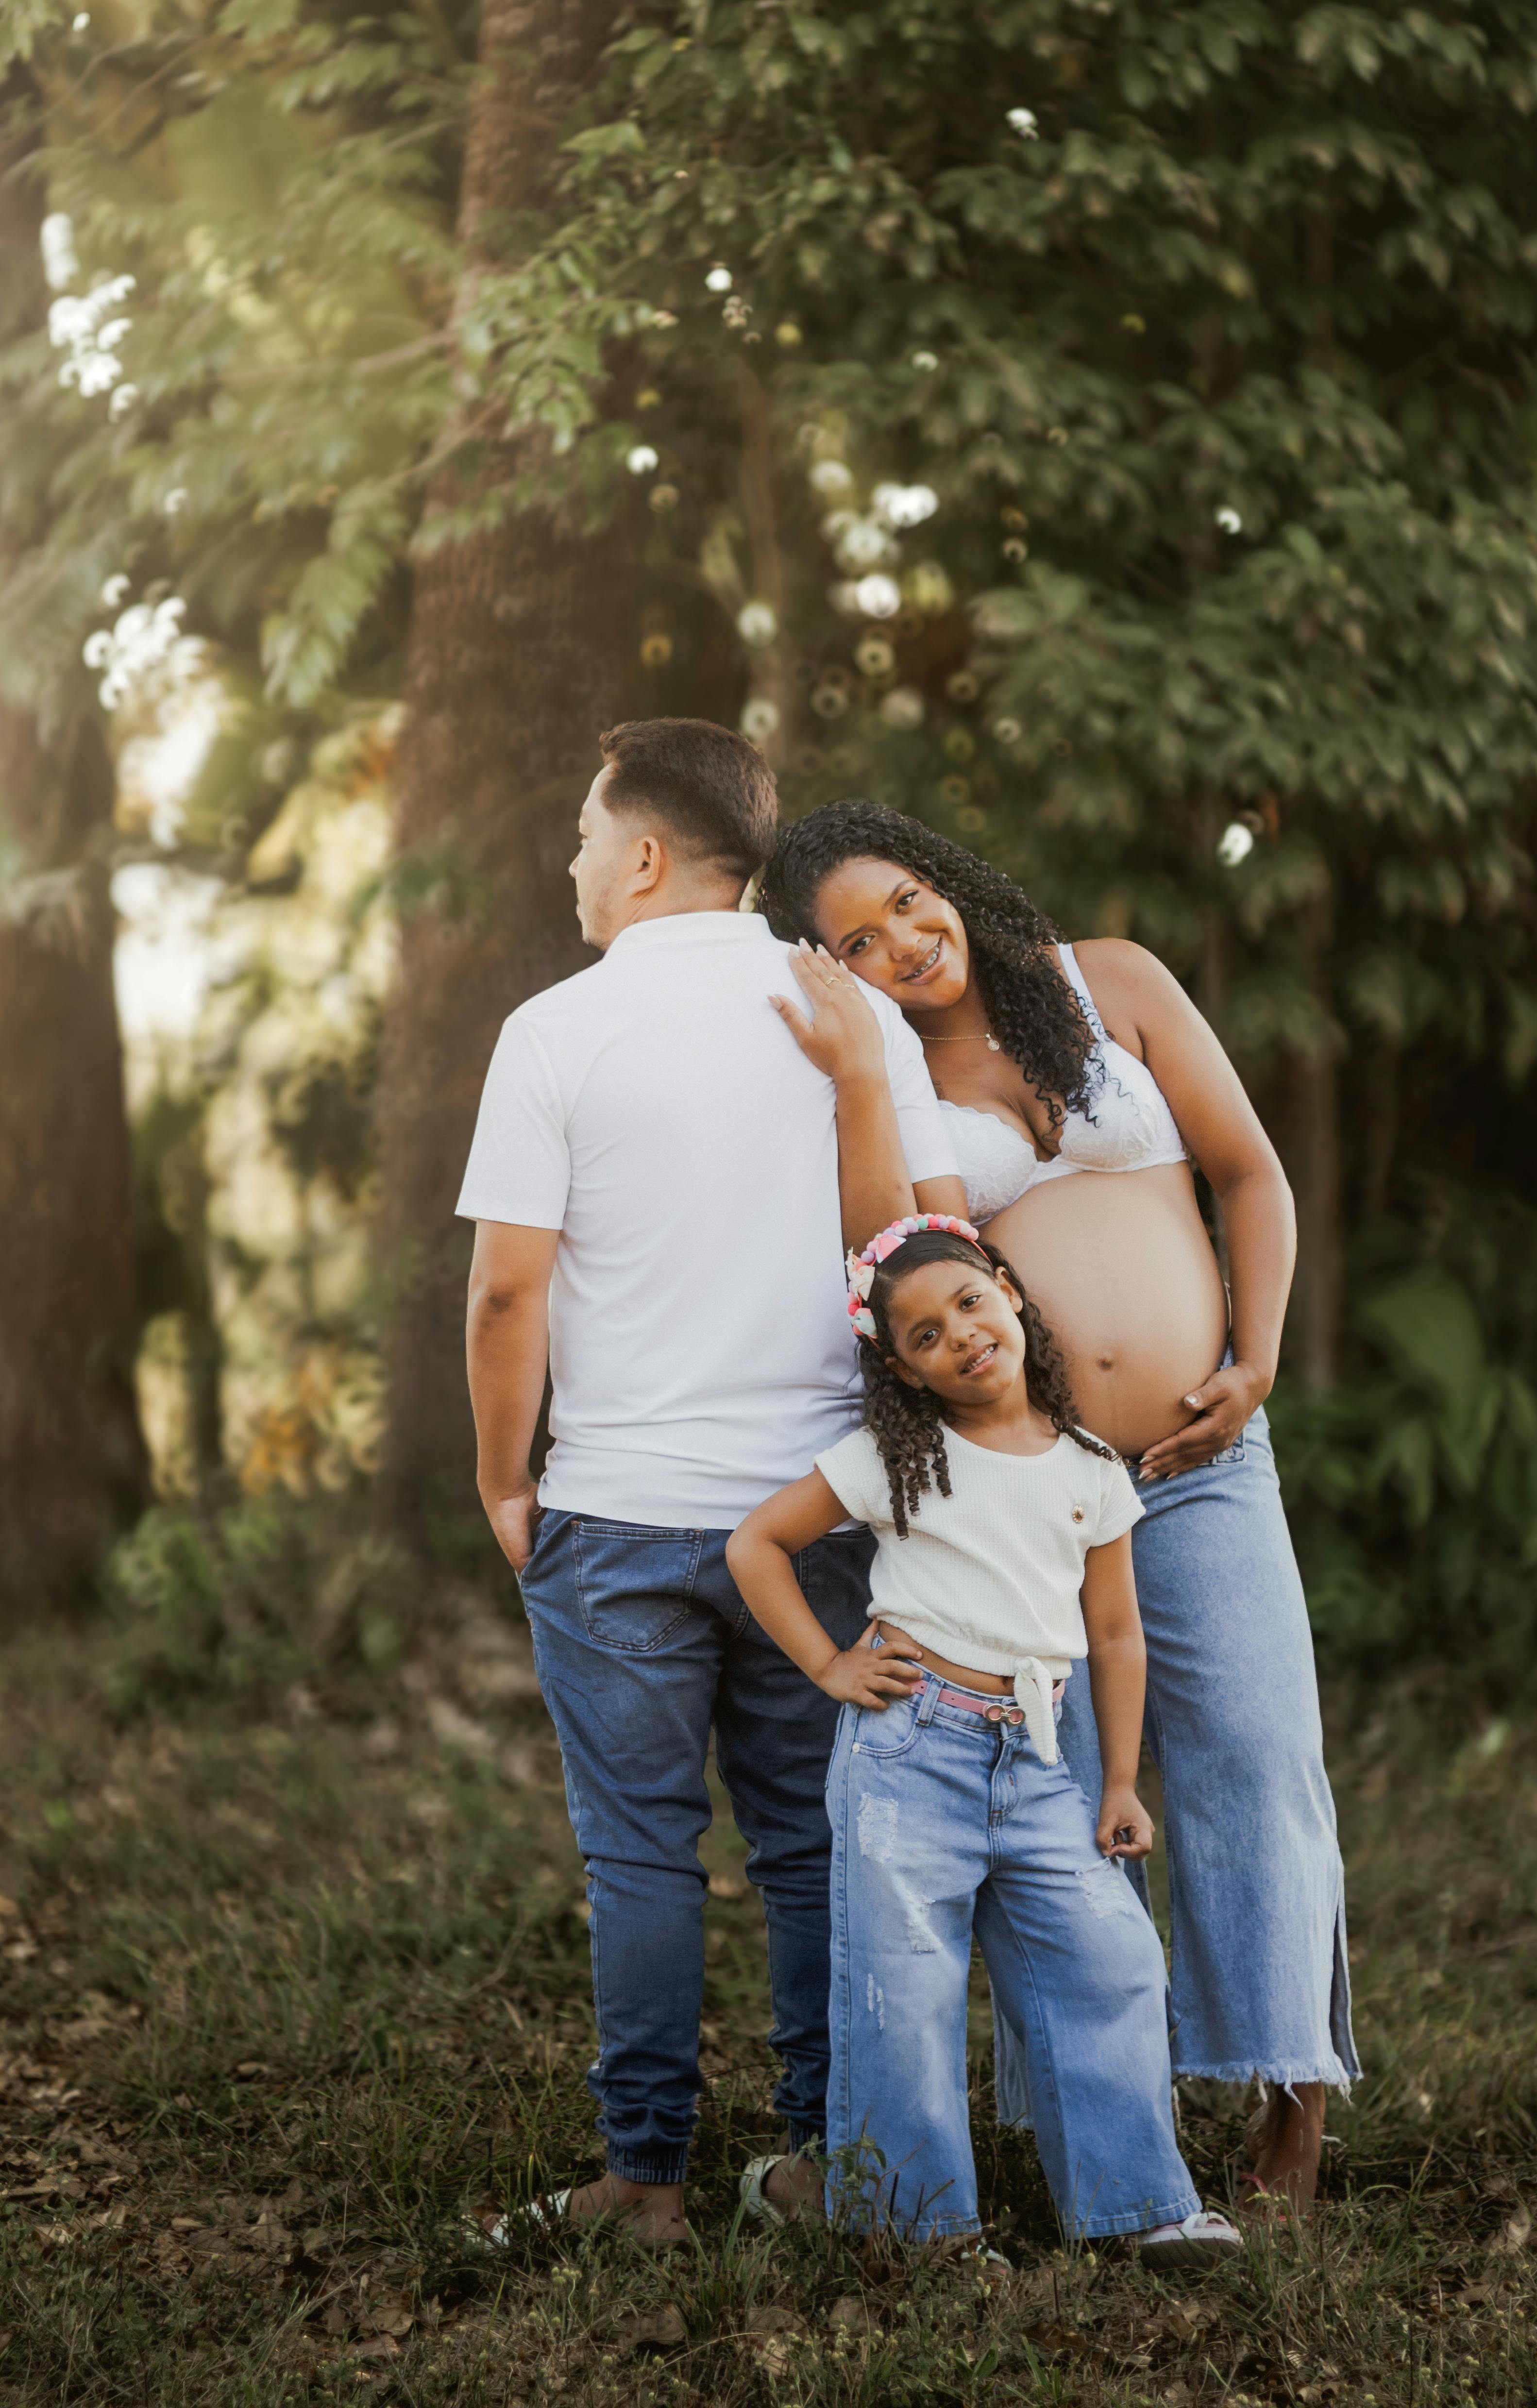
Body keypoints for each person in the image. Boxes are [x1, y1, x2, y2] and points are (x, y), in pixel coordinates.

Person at [760, 803, 1358, 2213]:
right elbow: (898, 1262)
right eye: (861, 942)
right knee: (1075, 1794)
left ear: (947, 881)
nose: (908, 943)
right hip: (1036, 1489)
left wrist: (1258, 1360)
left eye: (909, 902)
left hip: (1208, 1457)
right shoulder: (897, 1077)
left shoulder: (1115, 982)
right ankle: (1109, 2119)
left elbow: (1249, 1172)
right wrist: (860, 1074)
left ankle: (1291, 2097)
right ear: (837, 970)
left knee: (1259, 1755)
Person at [455, 724, 962, 2248]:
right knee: (809, 1843)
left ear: (645, 854)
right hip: (816, 1515)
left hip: (615, 1511)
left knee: (640, 1857)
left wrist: (502, 1480)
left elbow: (506, 1295)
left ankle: (646, 2183)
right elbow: (924, 1254)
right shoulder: (856, 1015)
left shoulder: (556, 1030)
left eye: (584, 837)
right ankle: (824, 2158)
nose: (572, 865)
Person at [726, 1212, 1240, 2259]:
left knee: (1110, 1961)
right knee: (906, 1988)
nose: (959, 1334)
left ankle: (1138, 2208)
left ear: (1008, 1290)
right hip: (910, 1753)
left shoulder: (1091, 1467)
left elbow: (1116, 1634)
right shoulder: (897, 1460)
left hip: (1038, 1763)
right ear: (905, 1371)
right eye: (925, 1335)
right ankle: (915, 2231)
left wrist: (1121, 1783)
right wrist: (829, 1665)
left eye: (968, 1302)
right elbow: (757, 1545)